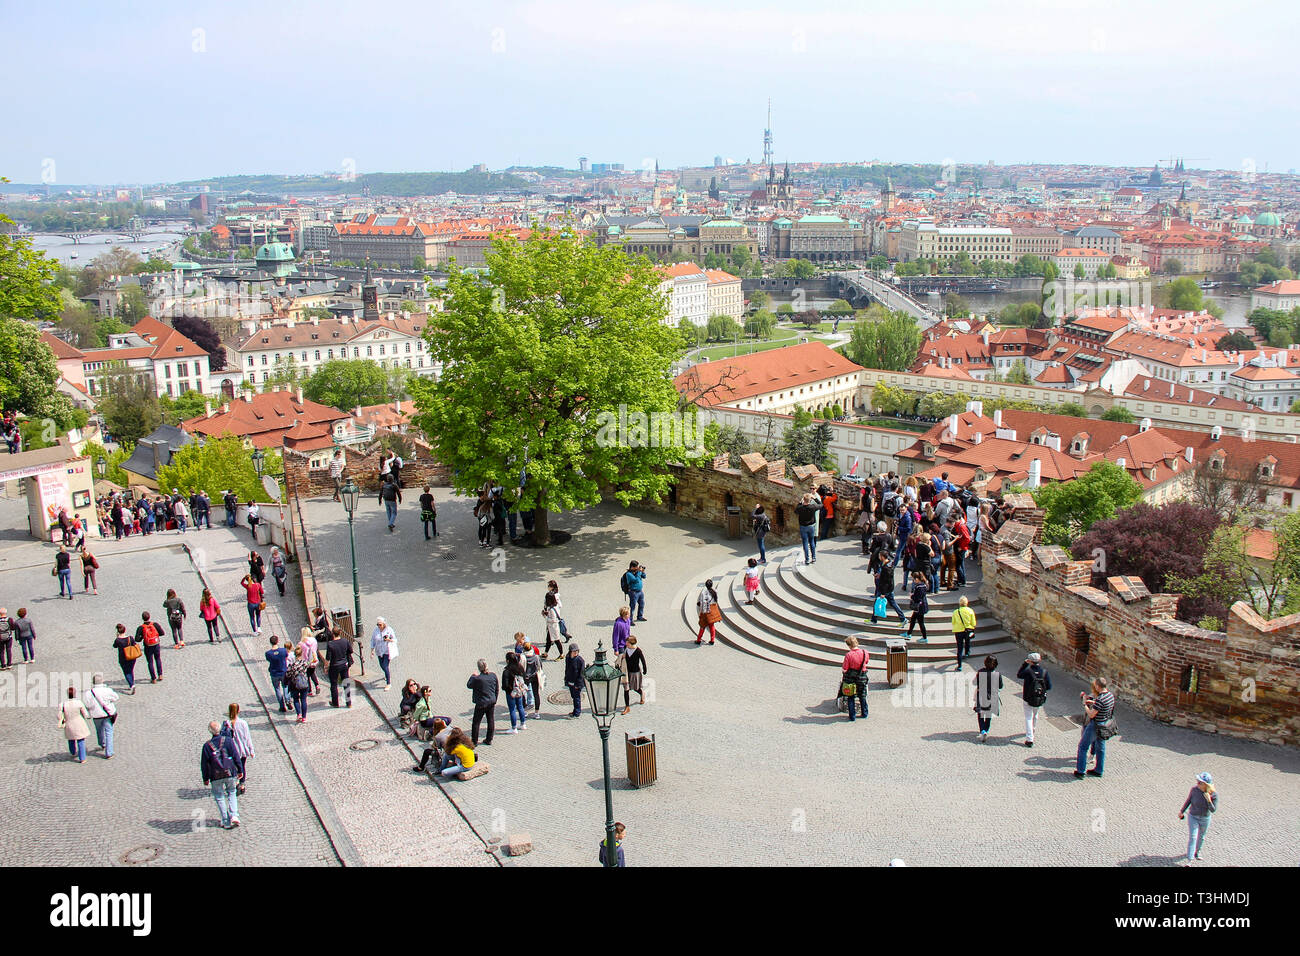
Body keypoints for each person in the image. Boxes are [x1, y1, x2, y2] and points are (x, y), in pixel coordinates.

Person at [201, 720, 243, 829]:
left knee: (219, 796)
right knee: (232, 792)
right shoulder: (228, 741)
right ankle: (234, 815)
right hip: (229, 772)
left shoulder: (207, 746)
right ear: (220, 729)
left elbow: (204, 764)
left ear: (210, 731)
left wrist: (205, 778)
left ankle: (225, 821)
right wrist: (240, 770)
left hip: (215, 775)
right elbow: (236, 756)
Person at [1073, 677, 1115, 779]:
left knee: (1083, 747)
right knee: (1101, 748)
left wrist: (1085, 705)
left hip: (1095, 725)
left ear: (1097, 686)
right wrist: (1093, 703)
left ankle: (1080, 771)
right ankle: (1099, 770)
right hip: (1104, 725)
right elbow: (1103, 707)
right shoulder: (1110, 696)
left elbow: (1091, 714)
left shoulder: (1100, 699)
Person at [1179, 772, 1218, 863]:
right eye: (1197, 781)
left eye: (1200, 782)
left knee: (1201, 836)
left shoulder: (1214, 794)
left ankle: (1197, 852)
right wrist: (1182, 811)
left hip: (1205, 818)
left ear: (1206, 785)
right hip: (1193, 816)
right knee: (1193, 837)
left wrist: (1209, 800)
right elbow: (1189, 800)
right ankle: (1190, 859)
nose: (1197, 783)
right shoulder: (1194, 790)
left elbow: (1213, 810)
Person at [1016, 652, 1052, 747]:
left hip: (1028, 698)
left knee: (1028, 717)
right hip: (1039, 698)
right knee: (1035, 715)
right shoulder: (1044, 672)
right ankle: (1033, 729)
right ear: (1039, 660)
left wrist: (1024, 664)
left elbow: (1019, 675)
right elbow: (1049, 686)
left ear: (1030, 661)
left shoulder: (1028, 671)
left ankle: (1029, 739)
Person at [221, 703, 255, 795]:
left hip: (231, 751)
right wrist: (251, 750)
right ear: (238, 711)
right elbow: (247, 737)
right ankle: (242, 784)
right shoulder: (243, 723)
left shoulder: (226, 724)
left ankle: (235, 781)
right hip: (241, 749)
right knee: (242, 766)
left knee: (233, 767)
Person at [83, 673, 119, 758]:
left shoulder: (89, 693)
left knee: (99, 730)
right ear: (102, 681)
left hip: (96, 715)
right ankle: (109, 752)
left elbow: (87, 704)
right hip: (107, 714)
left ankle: (102, 743)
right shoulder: (107, 690)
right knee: (109, 732)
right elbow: (116, 697)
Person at [467, 659, 498, 746]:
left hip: (481, 703)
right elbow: (497, 689)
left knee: (476, 722)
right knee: (490, 720)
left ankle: (474, 741)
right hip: (491, 701)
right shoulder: (493, 675)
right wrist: (495, 699)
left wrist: (473, 676)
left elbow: (469, 685)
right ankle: (489, 739)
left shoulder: (477, 678)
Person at [58, 686, 92, 763]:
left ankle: (73, 752)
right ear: (75, 694)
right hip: (79, 723)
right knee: (81, 740)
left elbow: (59, 716)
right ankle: (82, 758)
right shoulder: (78, 703)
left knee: (71, 739)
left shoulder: (63, 704)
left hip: (69, 723)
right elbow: (85, 714)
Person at [973, 655, 1002, 741]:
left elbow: (975, 682)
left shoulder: (980, 672)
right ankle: (986, 729)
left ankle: (982, 730)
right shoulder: (997, 674)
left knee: (981, 714)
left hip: (981, 695)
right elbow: (1000, 686)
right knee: (989, 714)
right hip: (992, 696)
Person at [841, 636, 869, 722]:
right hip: (862, 677)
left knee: (851, 696)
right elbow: (866, 662)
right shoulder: (865, 652)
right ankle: (864, 713)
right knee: (862, 695)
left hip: (851, 678)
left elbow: (845, 668)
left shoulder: (848, 655)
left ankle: (852, 716)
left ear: (849, 645)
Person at [325, 627, 354, 708]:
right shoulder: (345, 641)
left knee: (334, 684)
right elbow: (351, 651)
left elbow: (328, 658)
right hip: (344, 664)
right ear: (340, 633)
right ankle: (349, 703)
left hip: (334, 666)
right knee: (346, 683)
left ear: (333, 634)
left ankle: (335, 703)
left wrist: (326, 667)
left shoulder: (330, 644)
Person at [502, 651, 528, 733]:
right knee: (520, 707)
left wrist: (508, 690)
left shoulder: (507, 671)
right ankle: (523, 724)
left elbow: (505, 684)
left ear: (508, 660)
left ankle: (514, 728)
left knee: (512, 709)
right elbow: (524, 678)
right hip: (519, 691)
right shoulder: (520, 668)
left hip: (511, 693)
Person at [286, 644, 311, 723]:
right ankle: (304, 717)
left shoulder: (292, 665)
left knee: (296, 700)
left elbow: (288, 674)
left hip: (295, 684)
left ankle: (298, 714)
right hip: (304, 683)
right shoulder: (304, 663)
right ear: (301, 654)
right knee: (303, 700)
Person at [370, 617, 397, 690]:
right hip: (379, 651)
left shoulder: (389, 630)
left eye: (380, 624)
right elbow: (372, 640)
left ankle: (388, 683)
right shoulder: (376, 630)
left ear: (384, 624)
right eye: (377, 624)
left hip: (387, 651)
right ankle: (386, 673)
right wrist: (372, 651)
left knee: (385, 666)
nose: (379, 626)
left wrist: (389, 639)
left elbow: (395, 639)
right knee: (382, 666)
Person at [136, 612, 164, 683]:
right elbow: (162, 633)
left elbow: (137, 639)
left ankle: (153, 678)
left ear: (142, 618)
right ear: (149, 617)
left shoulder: (141, 628)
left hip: (148, 646)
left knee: (150, 662)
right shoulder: (155, 624)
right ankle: (160, 675)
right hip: (156, 644)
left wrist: (143, 636)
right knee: (158, 659)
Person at [265, 634, 290, 712]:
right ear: (277, 641)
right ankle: (287, 700)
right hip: (283, 671)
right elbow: (286, 657)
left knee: (277, 689)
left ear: (270, 642)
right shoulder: (283, 651)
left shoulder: (268, 653)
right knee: (285, 686)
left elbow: (269, 660)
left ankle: (282, 706)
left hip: (274, 673)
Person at [112, 623, 138, 693]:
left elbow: (114, 646)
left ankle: (132, 685)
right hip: (132, 657)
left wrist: (117, 637)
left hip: (123, 658)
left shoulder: (118, 640)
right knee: (131, 670)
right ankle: (132, 683)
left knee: (126, 672)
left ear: (118, 631)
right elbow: (134, 644)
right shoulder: (130, 638)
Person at [951, 596, 976, 668]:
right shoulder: (970, 611)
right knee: (967, 640)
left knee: (959, 647)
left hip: (958, 631)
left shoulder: (956, 612)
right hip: (968, 630)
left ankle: (959, 665)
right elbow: (973, 623)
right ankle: (967, 652)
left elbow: (953, 622)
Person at [695, 578, 720, 645]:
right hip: (713, 609)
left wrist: (701, 612)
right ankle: (712, 640)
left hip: (706, 610)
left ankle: (698, 639)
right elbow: (715, 601)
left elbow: (703, 603)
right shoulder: (715, 591)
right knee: (711, 625)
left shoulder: (704, 593)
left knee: (702, 625)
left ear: (706, 585)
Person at [795, 494, 819, 564]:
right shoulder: (813, 507)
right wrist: (815, 498)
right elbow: (821, 505)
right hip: (811, 526)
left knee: (805, 543)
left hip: (803, 527)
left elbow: (796, 511)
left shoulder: (800, 507)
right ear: (810, 500)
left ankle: (807, 559)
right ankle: (814, 557)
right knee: (812, 542)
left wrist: (800, 502)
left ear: (803, 500)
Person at [907, 572, 929, 643]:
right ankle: (909, 633)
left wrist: (912, 596)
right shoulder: (923, 585)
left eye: (914, 579)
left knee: (920, 622)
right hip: (921, 606)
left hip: (919, 607)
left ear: (917, 579)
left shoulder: (919, 587)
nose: (913, 580)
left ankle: (924, 637)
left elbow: (917, 598)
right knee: (913, 619)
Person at [522, 640, 543, 717]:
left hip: (526, 678)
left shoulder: (523, 657)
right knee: (536, 694)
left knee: (523, 694)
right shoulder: (536, 657)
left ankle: (524, 711)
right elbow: (540, 666)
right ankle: (537, 713)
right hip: (535, 677)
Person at [624, 636, 647, 706]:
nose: (626, 644)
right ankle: (627, 706)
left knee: (635, 688)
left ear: (631, 643)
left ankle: (642, 693)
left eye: (627, 642)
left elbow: (643, 660)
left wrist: (645, 669)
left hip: (635, 672)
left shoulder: (638, 651)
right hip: (627, 672)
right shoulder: (626, 649)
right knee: (626, 689)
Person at [564, 643, 585, 717]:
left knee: (576, 698)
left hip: (576, 683)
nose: (576, 652)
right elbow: (567, 669)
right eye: (574, 651)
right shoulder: (568, 657)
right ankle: (575, 710)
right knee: (573, 697)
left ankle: (577, 712)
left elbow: (581, 674)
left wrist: (578, 685)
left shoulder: (580, 660)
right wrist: (566, 679)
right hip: (570, 681)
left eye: (577, 651)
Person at [542, 591, 565, 660]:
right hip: (552, 627)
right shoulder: (555, 605)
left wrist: (545, 616)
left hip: (553, 627)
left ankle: (561, 654)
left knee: (557, 640)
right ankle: (546, 653)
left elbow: (552, 620)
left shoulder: (551, 609)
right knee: (549, 639)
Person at [298, 625, 320, 695]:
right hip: (313, 660)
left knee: (307, 675)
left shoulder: (301, 643)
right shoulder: (314, 640)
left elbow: (300, 653)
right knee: (312, 673)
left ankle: (309, 690)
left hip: (305, 661)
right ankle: (317, 685)